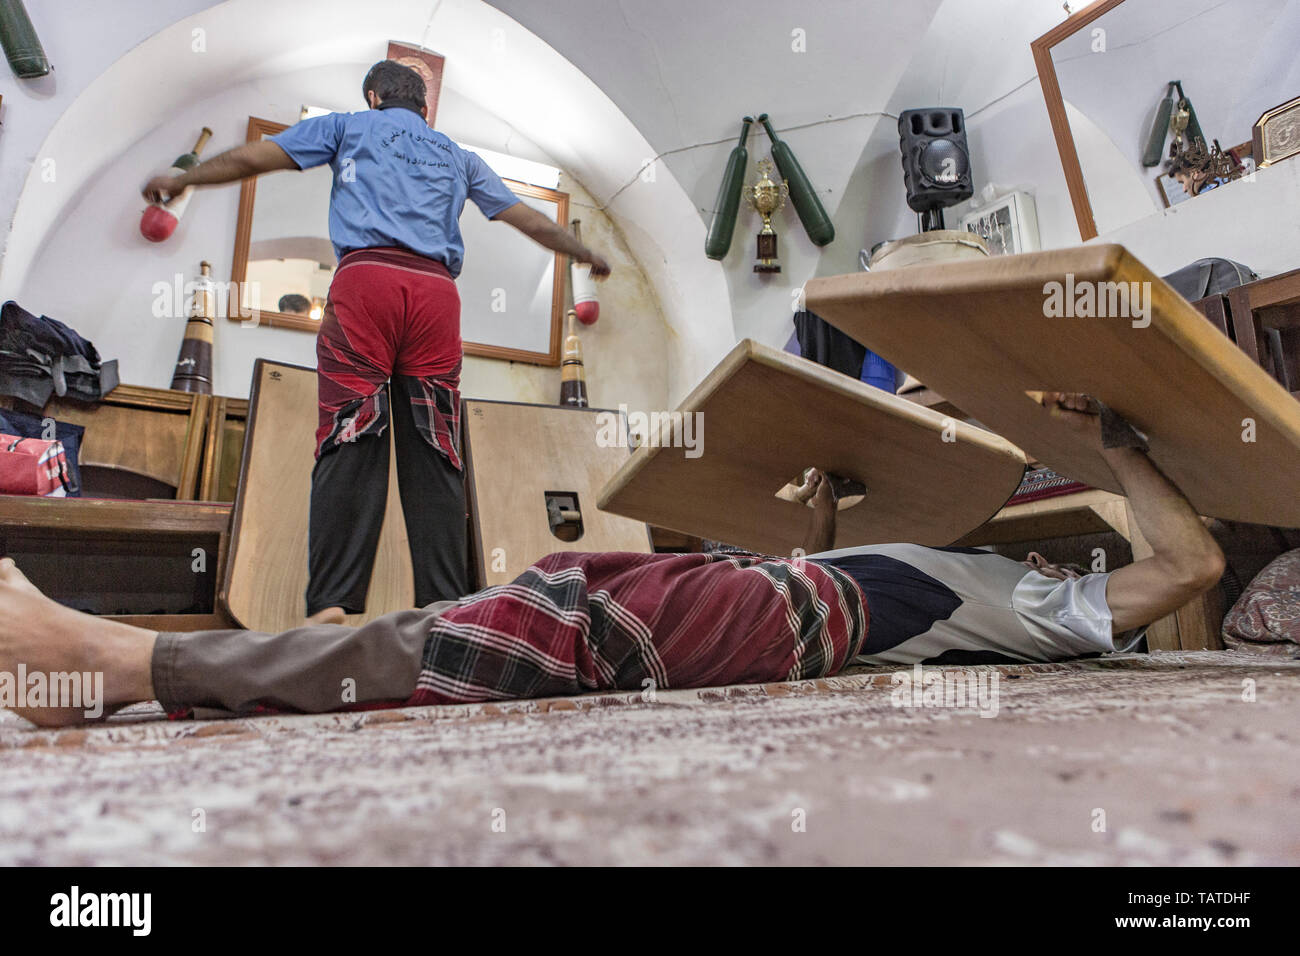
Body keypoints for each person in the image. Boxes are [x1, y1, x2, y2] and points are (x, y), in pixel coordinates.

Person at [0, 393, 1223, 728]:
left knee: (533, 630)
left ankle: (121, 658)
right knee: (525, 605)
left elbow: (1189, 562)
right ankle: (312, 647)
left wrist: (1116, 443)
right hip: (785, 600)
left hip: (780, 619)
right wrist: (825, 520)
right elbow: (884, 606)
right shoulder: (958, 580)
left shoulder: (1058, 609)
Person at [143, 61, 611, 625]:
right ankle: (446, 611)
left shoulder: (346, 127)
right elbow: (528, 220)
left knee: (351, 434)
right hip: (437, 297)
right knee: (437, 449)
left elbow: (252, 157)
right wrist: (582, 253)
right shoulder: (457, 155)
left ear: (373, 96)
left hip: (367, 284)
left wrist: (185, 178)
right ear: (424, 107)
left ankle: (333, 611)